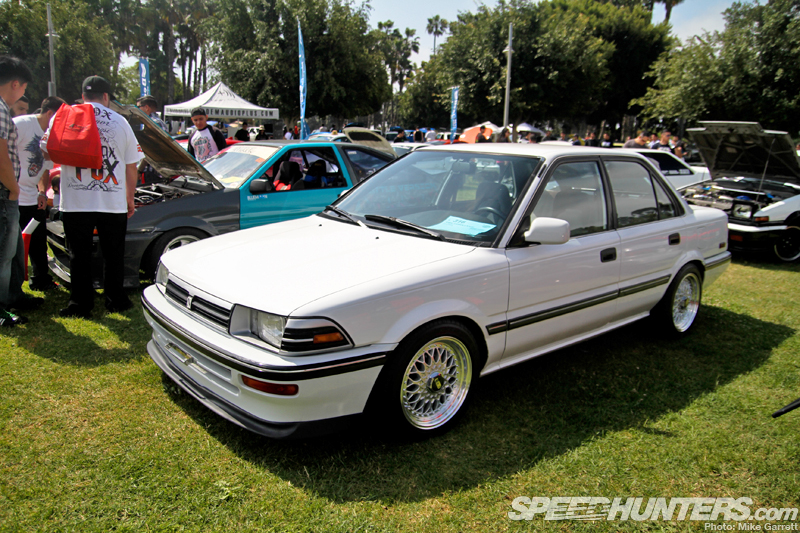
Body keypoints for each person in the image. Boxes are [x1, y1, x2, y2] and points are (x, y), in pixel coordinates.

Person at [40, 75, 145, 318]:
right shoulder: (120, 122)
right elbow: (132, 165)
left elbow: (46, 148)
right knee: (113, 254)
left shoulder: (64, 115)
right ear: (106, 97)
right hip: (113, 200)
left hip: (76, 201)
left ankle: (80, 303)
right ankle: (115, 299)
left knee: (79, 255)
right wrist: (130, 197)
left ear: (83, 95)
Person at [13, 96, 66, 292]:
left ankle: (40, 279)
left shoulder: (51, 136)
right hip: (12, 197)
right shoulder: (21, 125)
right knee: (13, 246)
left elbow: (46, 169)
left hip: (33, 197)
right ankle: (13, 289)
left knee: (38, 241)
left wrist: (42, 192)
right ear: (52, 114)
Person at [0, 55, 32, 327]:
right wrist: (12, 188)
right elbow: (1, 154)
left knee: (12, 250)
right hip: (3, 192)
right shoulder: (0, 109)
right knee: (4, 252)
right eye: (23, 88)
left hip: (6, 192)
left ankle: (13, 296)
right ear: (15, 83)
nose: (23, 94)